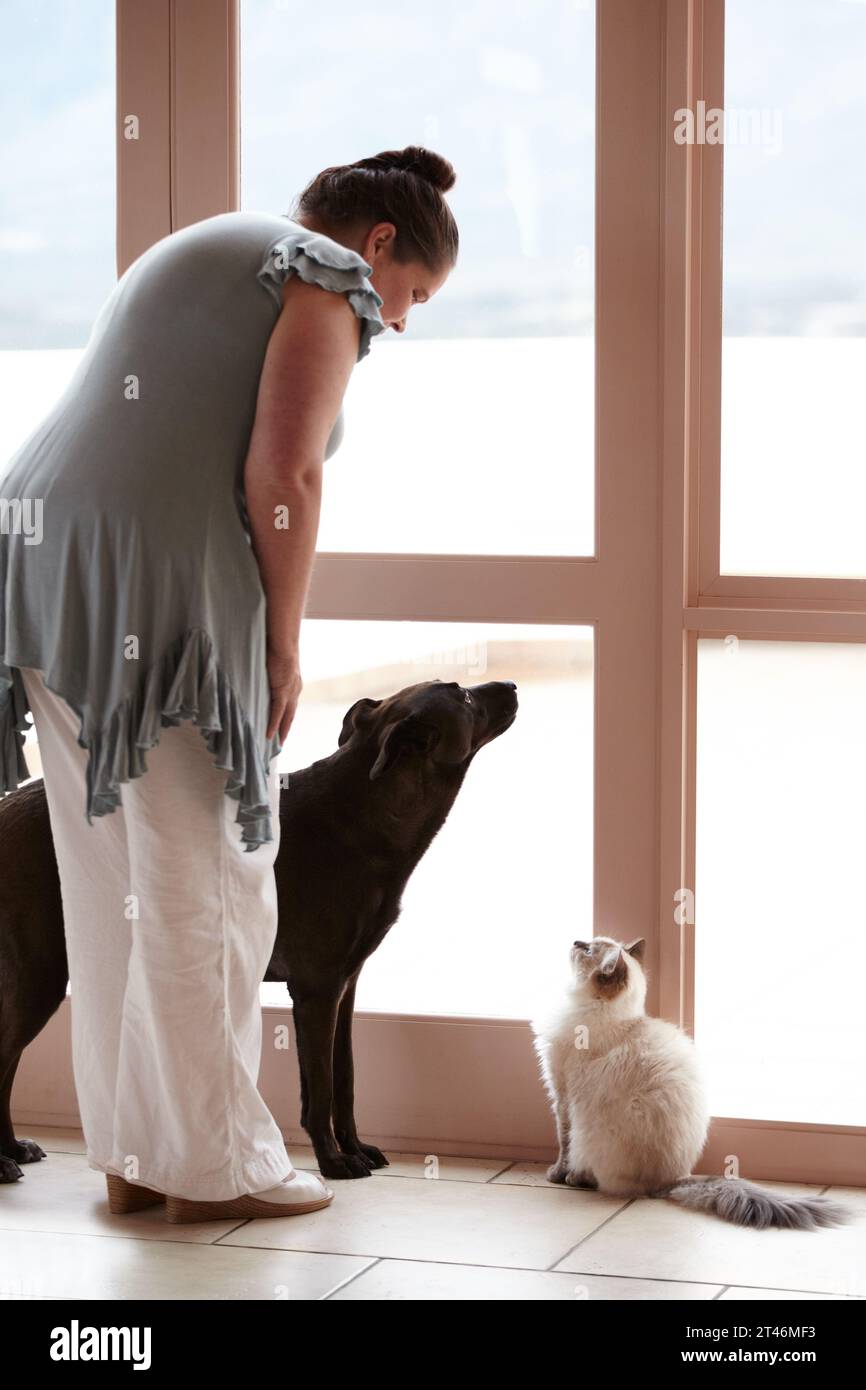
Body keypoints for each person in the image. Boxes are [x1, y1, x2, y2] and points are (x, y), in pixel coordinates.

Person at [0, 145, 457, 1223]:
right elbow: (283, 471)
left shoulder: (211, 243)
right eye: (412, 294)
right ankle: (221, 1167)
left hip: (45, 564)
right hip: (146, 585)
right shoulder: (320, 271)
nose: (397, 320)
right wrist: (284, 644)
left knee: (114, 882)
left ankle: (137, 1154)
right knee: (212, 879)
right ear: (378, 245)